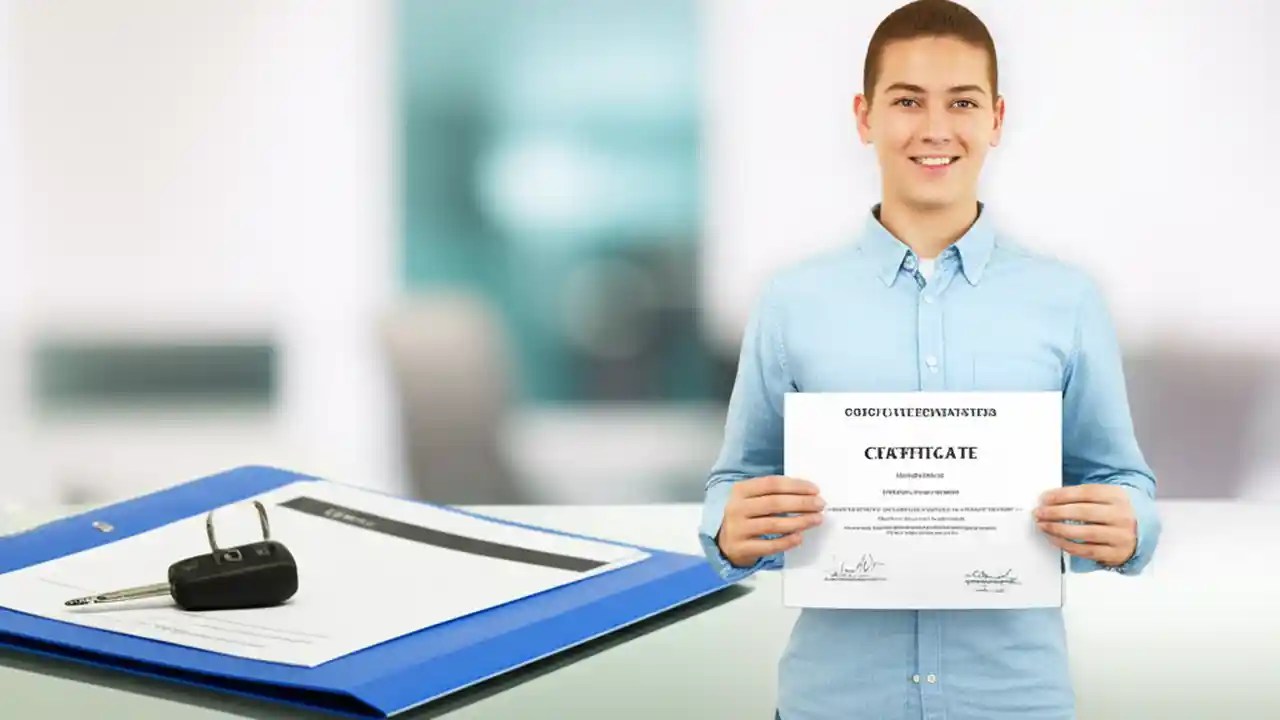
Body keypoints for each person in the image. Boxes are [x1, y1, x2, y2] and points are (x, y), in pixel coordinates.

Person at [696, 1, 1162, 719]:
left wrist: (1128, 527)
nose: (936, 128)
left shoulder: (1068, 300)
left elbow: (1121, 479)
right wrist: (730, 530)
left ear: (997, 119)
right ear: (865, 117)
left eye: (963, 102)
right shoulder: (791, 302)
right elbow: (736, 482)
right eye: (908, 101)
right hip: (835, 703)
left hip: (1013, 703)